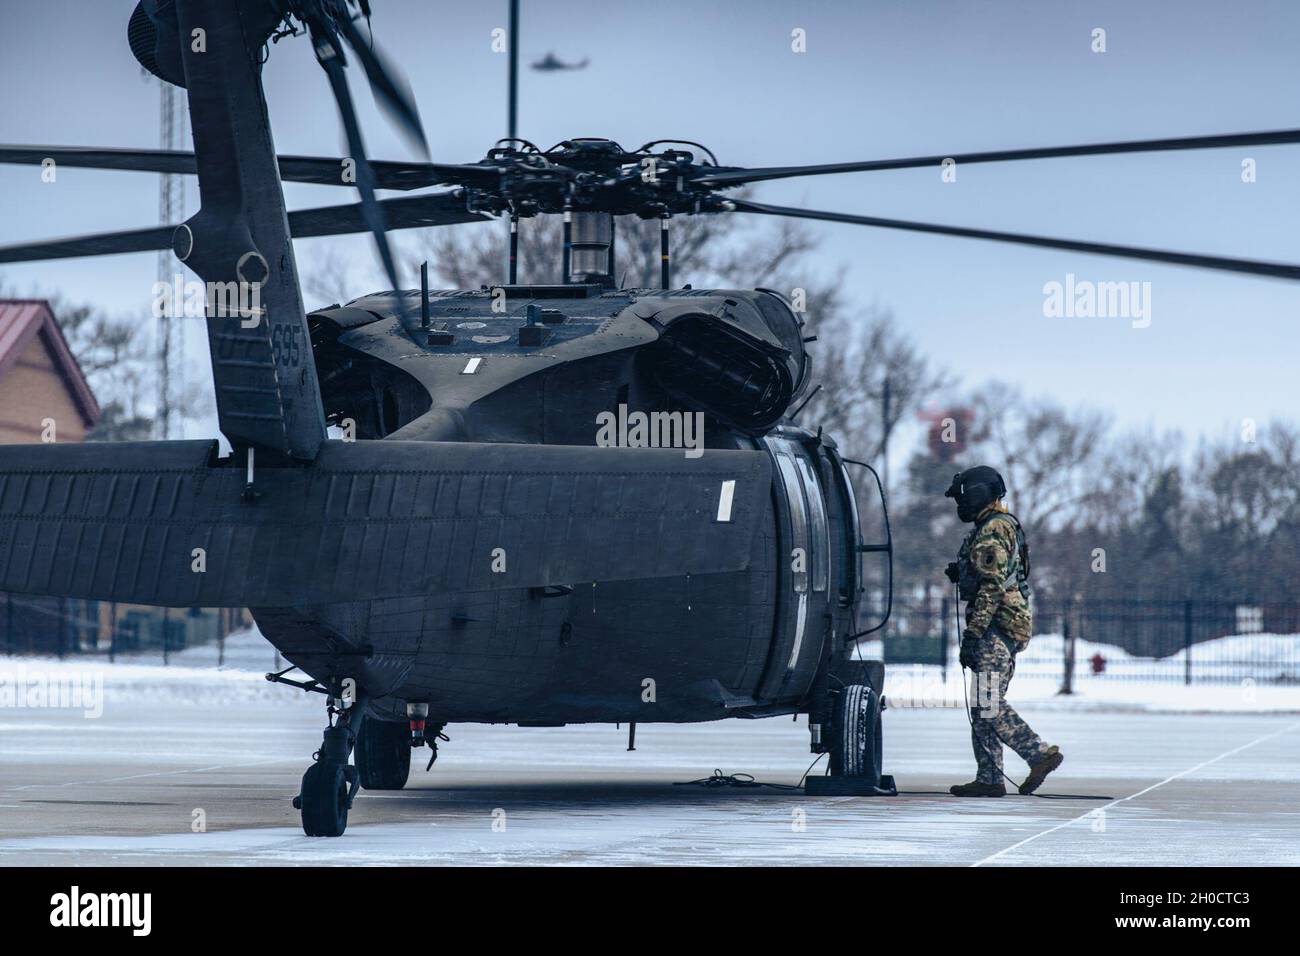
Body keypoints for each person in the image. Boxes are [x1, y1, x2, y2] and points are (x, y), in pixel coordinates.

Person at [943, 466, 1063, 797]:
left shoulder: (992, 531)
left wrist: (974, 632)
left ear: (979, 494)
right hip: (1007, 622)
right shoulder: (1002, 525)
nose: (960, 506)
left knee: (987, 702)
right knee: (983, 704)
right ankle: (989, 778)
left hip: (996, 625)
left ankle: (1039, 754)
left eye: (964, 498)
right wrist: (964, 572)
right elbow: (1003, 572)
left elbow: (993, 587)